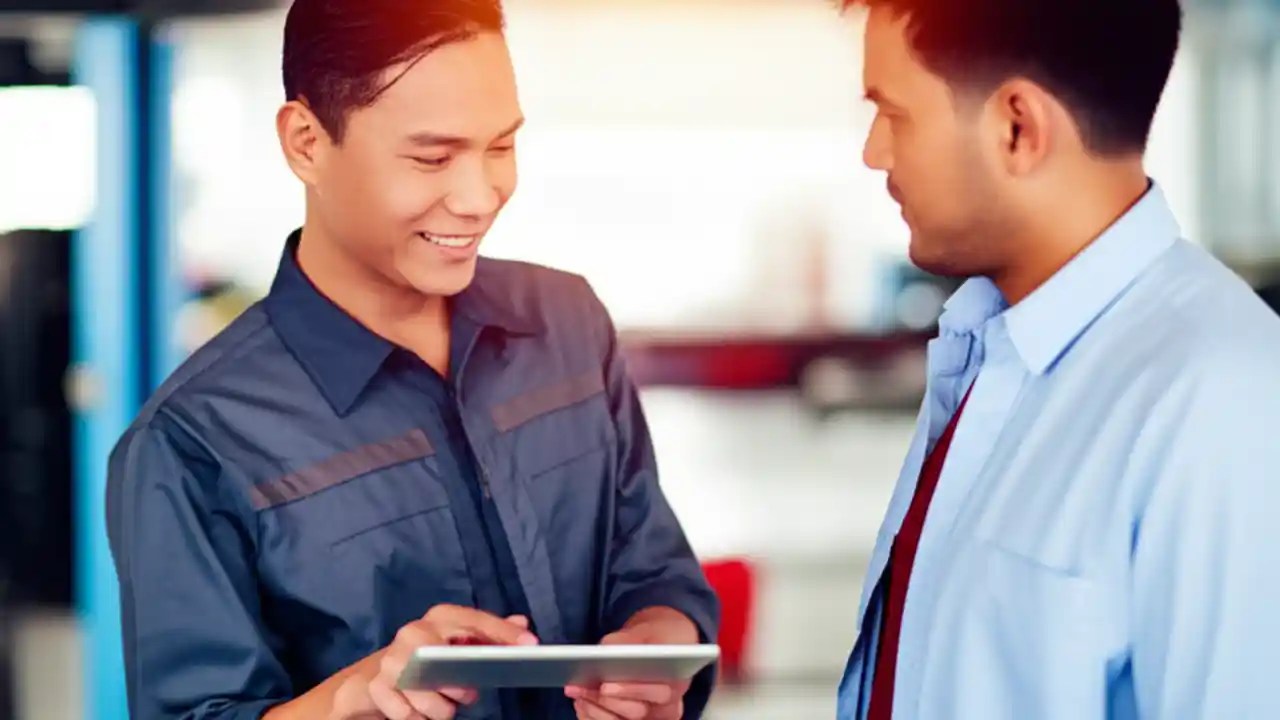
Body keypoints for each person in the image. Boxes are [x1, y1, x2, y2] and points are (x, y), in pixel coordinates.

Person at [104, 1, 719, 719]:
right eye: (432, 157)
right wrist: (351, 700)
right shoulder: (194, 442)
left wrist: (656, 650)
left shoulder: (568, 324)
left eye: (501, 146)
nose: (480, 196)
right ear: (306, 142)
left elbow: (655, 573)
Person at [836, 1, 1280, 718]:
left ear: (1018, 127)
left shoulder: (1225, 400)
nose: (874, 152)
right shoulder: (991, 350)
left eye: (897, 115)